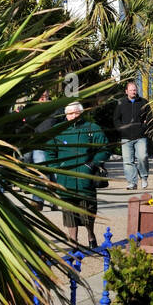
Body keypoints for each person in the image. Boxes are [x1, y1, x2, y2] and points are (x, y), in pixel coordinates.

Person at [50, 101, 110, 249]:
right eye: (70, 113)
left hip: (85, 179)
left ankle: (91, 235)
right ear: (66, 115)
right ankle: (73, 242)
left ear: (81, 113)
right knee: (69, 212)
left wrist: (93, 164)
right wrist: (56, 168)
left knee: (88, 211)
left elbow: (104, 148)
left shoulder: (91, 128)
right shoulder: (57, 131)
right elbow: (50, 152)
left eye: (76, 112)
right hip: (66, 180)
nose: (73, 116)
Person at [113, 81, 151, 191]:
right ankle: (132, 182)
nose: (133, 92)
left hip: (140, 136)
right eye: (131, 90)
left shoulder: (143, 102)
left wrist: (144, 127)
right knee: (128, 161)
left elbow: (149, 117)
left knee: (142, 157)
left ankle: (144, 177)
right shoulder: (121, 103)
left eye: (134, 90)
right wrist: (121, 129)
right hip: (126, 137)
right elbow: (116, 119)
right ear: (126, 91)